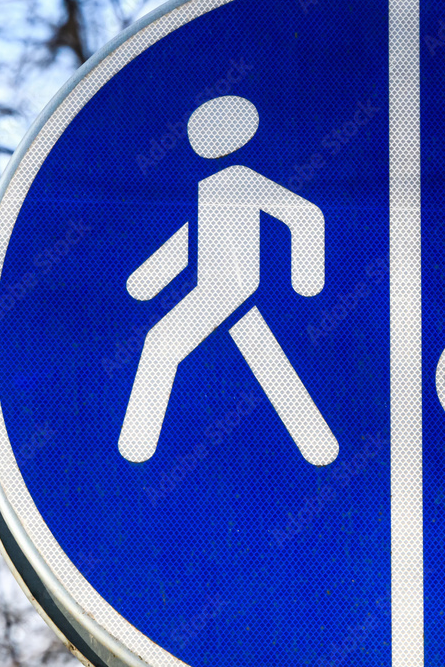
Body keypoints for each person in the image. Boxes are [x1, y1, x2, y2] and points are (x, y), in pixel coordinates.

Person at [118, 95, 339, 466]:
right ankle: (319, 447)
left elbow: (304, 215)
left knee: (160, 344)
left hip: (228, 289)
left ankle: (135, 448)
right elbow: (192, 239)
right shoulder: (211, 186)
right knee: (267, 359)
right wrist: (147, 279)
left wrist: (307, 276)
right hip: (224, 290)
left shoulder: (240, 180)